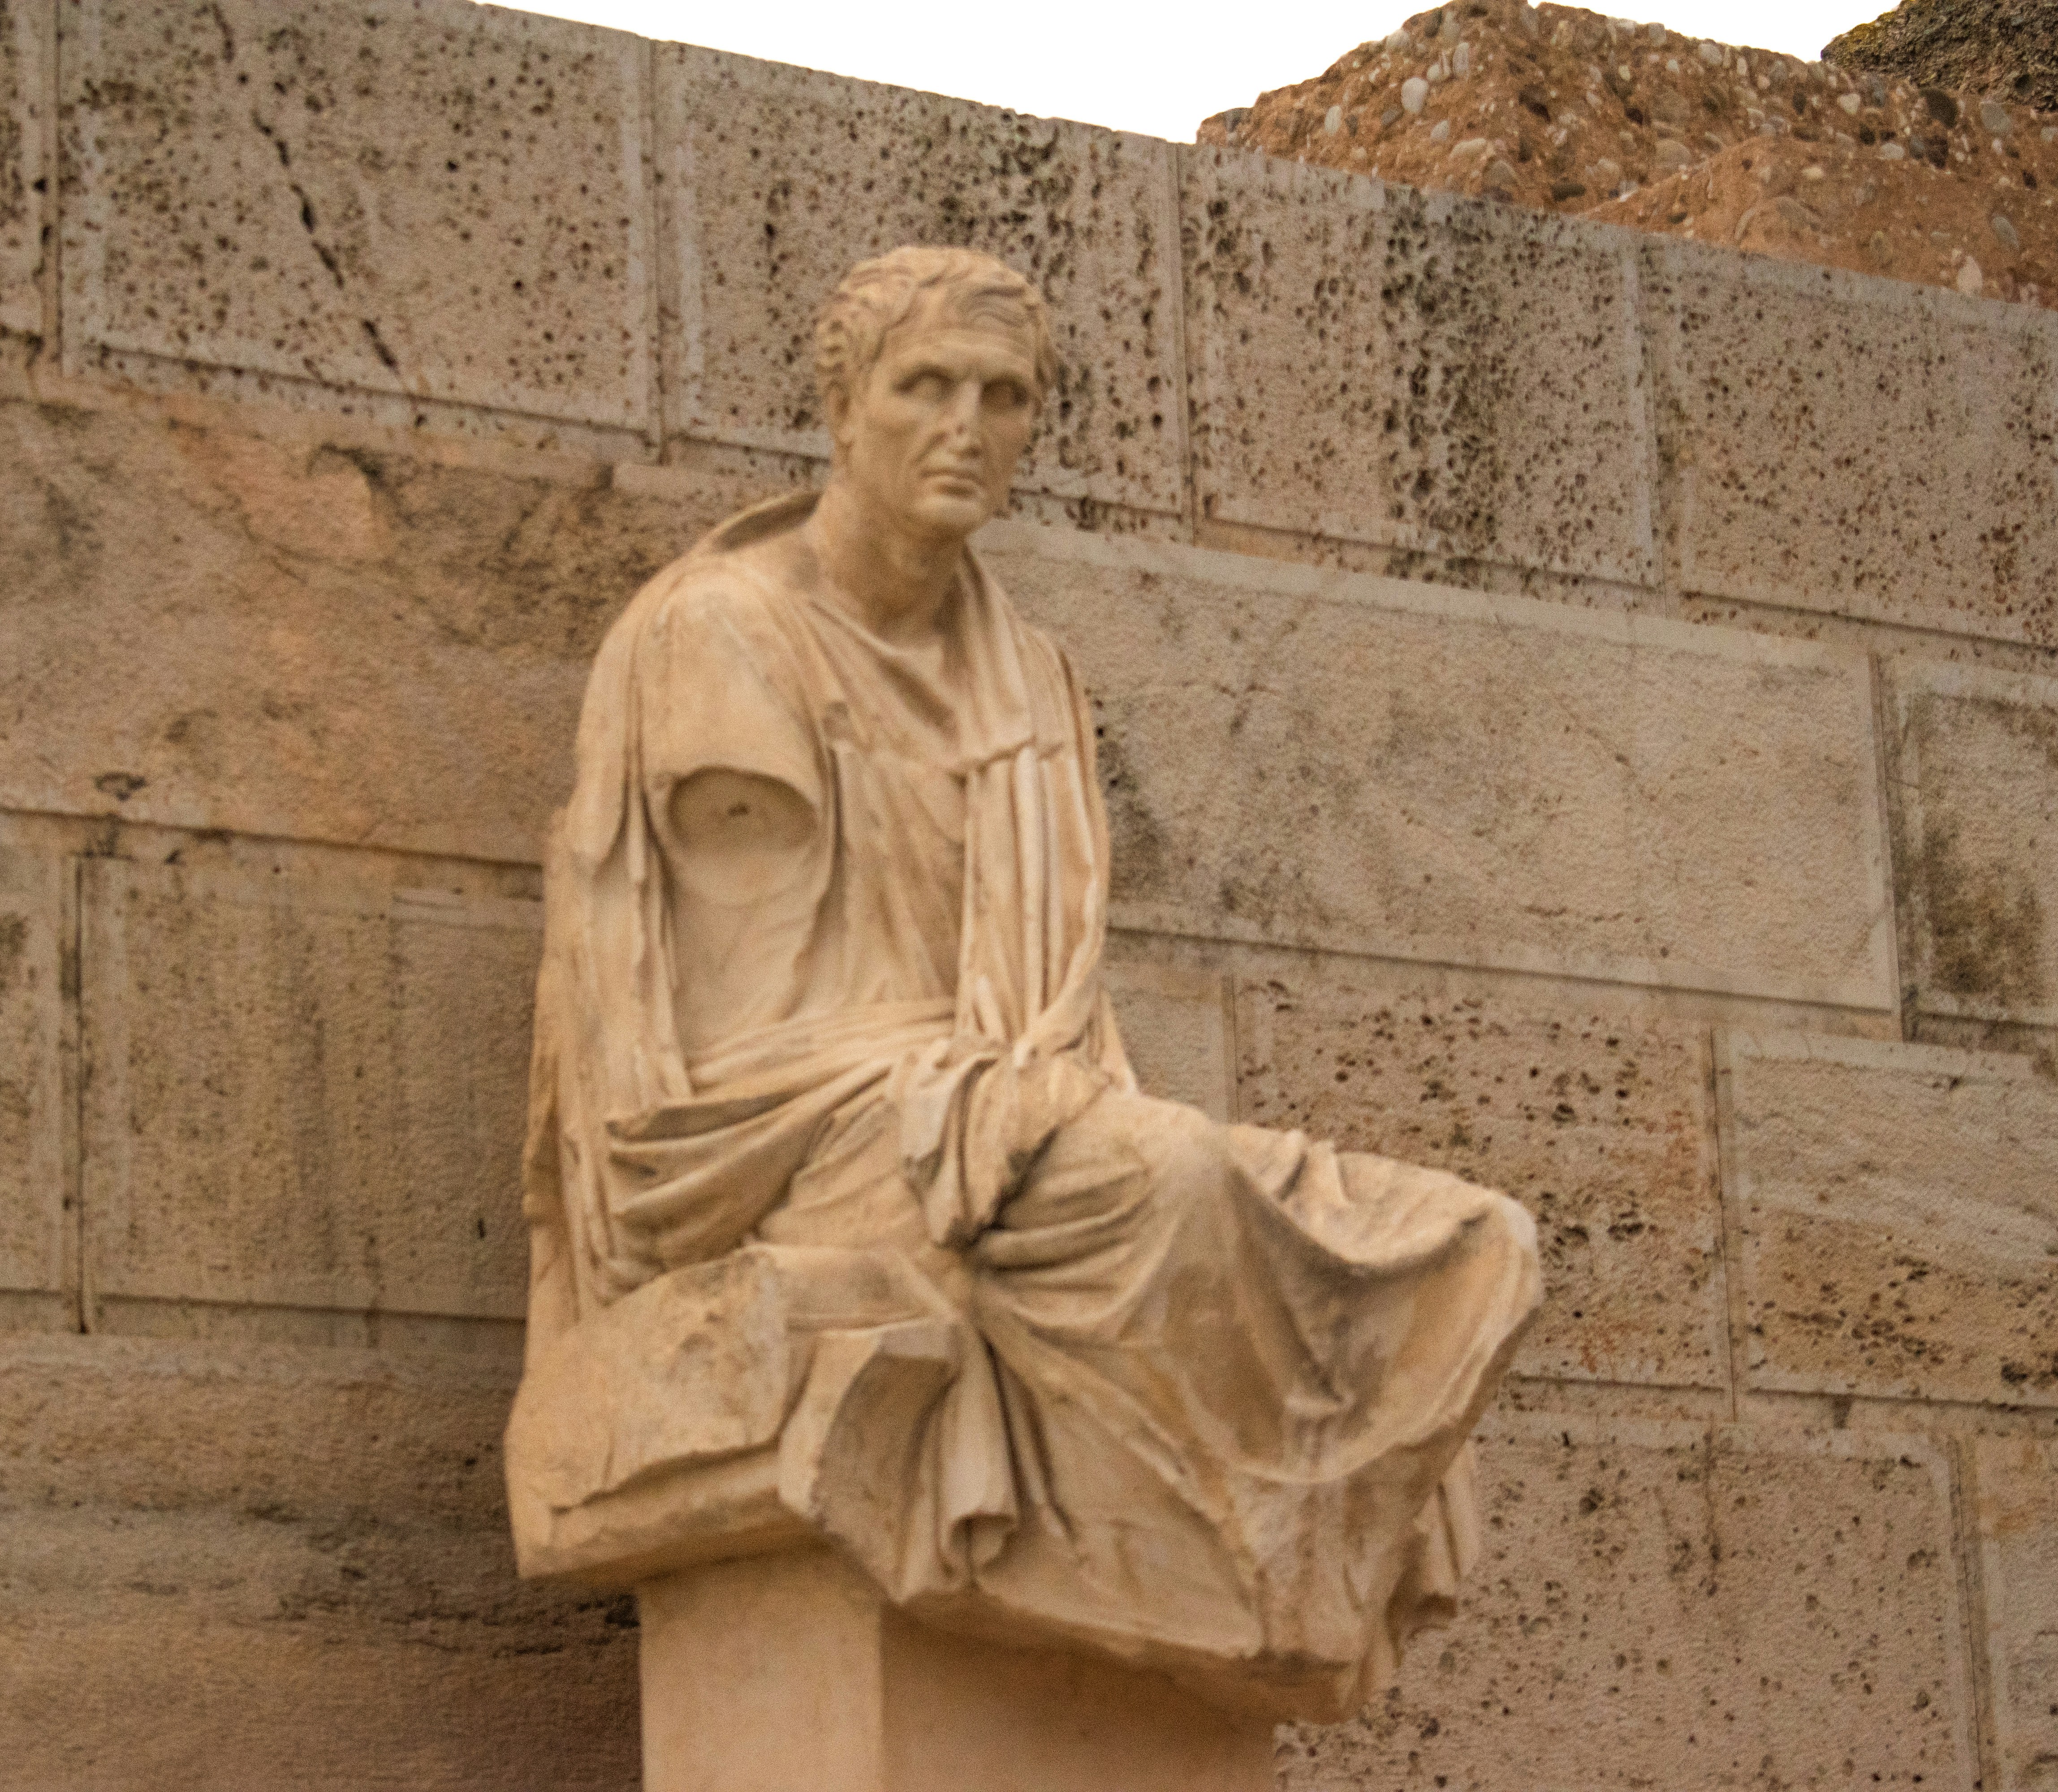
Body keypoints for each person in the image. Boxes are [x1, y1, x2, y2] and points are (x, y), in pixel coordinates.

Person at [516, 245, 1540, 1719]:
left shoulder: (1031, 677)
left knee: (1462, 1239)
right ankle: (1265, 1551)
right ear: (843, 410)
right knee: (1175, 1180)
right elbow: (733, 1035)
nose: (967, 428)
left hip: (990, 1104)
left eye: (1005, 397)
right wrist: (987, 1099)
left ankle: (1276, 1553)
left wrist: (1019, 1099)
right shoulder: (724, 633)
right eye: (924, 387)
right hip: (765, 1134)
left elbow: (1056, 1017)